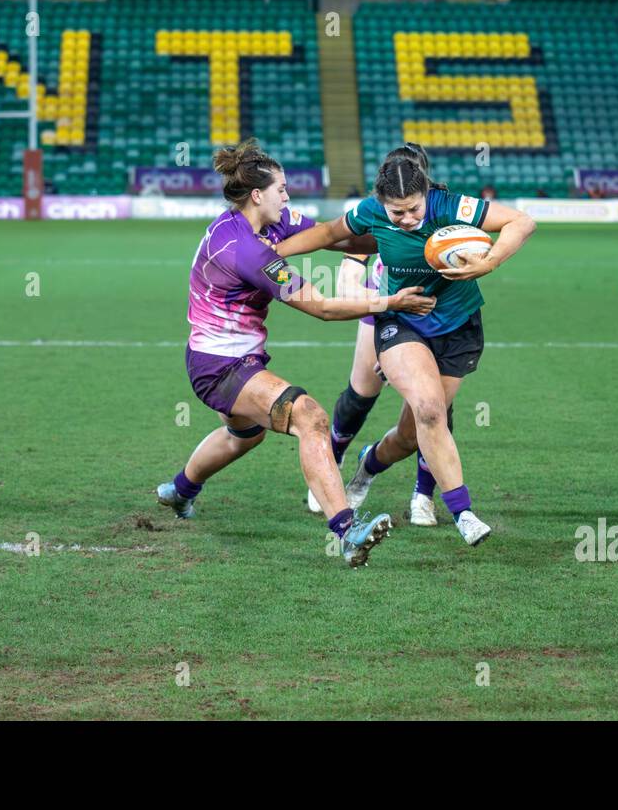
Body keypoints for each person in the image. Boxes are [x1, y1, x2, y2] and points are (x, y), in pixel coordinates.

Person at [155, 139, 436, 568]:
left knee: (243, 436)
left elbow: (335, 238)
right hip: (221, 368)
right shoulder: (247, 252)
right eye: (281, 189)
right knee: (310, 417)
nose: (287, 196)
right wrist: (389, 302)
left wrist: (402, 236)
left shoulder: (270, 221)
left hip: (228, 357)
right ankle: (347, 530)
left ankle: (179, 490)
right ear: (257, 195)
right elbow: (320, 307)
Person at [276, 146, 537, 547]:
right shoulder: (372, 211)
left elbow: (522, 222)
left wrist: (490, 261)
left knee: (412, 434)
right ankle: (463, 511)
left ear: (426, 195)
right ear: (383, 203)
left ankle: (368, 466)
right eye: (398, 212)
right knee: (430, 410)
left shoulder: (450, 206)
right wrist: (274, 252)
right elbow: (329, 233)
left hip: (458, 325)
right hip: (401, 321)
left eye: (414, 209)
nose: (408, 218)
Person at [304, 146, 454, 528]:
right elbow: (349, 277)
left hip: (433, 315)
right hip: (380, 310)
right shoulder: (374, 214)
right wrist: (387, 335)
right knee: (360, 395)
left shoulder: (444, 212)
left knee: (434, 408)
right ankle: (332, 462)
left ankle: (423, 494)